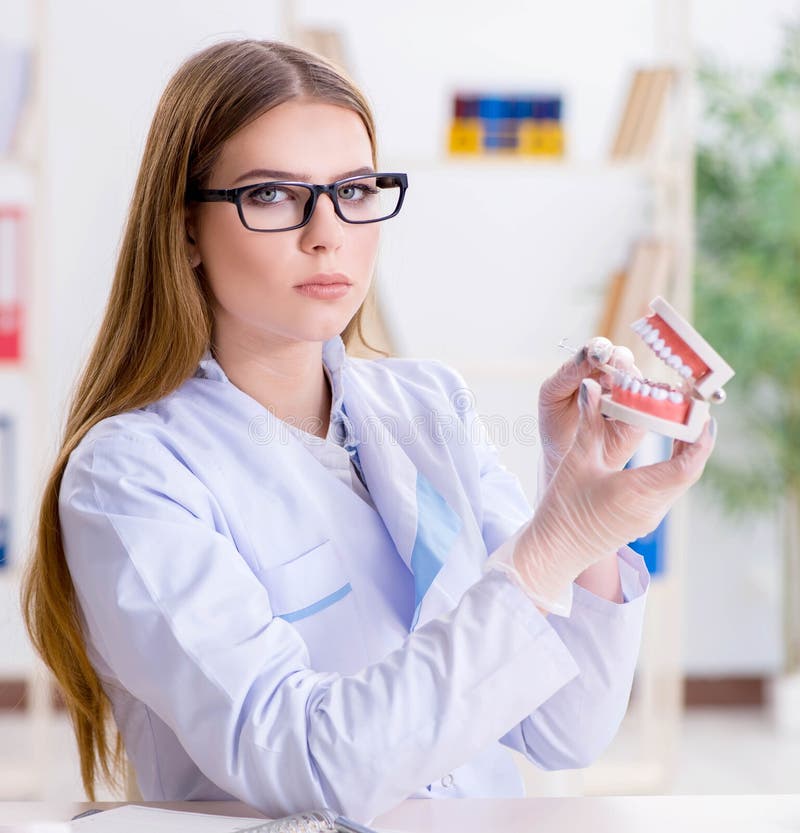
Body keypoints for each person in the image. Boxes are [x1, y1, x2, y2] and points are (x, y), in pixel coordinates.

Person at [21, 39, 715, 823]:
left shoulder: (431, 403)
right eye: (274, 195)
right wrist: (552, 543)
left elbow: (568, 727)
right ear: (185, 229)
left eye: (354, 189)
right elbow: (309, 767)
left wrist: (579, 513)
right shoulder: (130, 475)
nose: (329, 234)